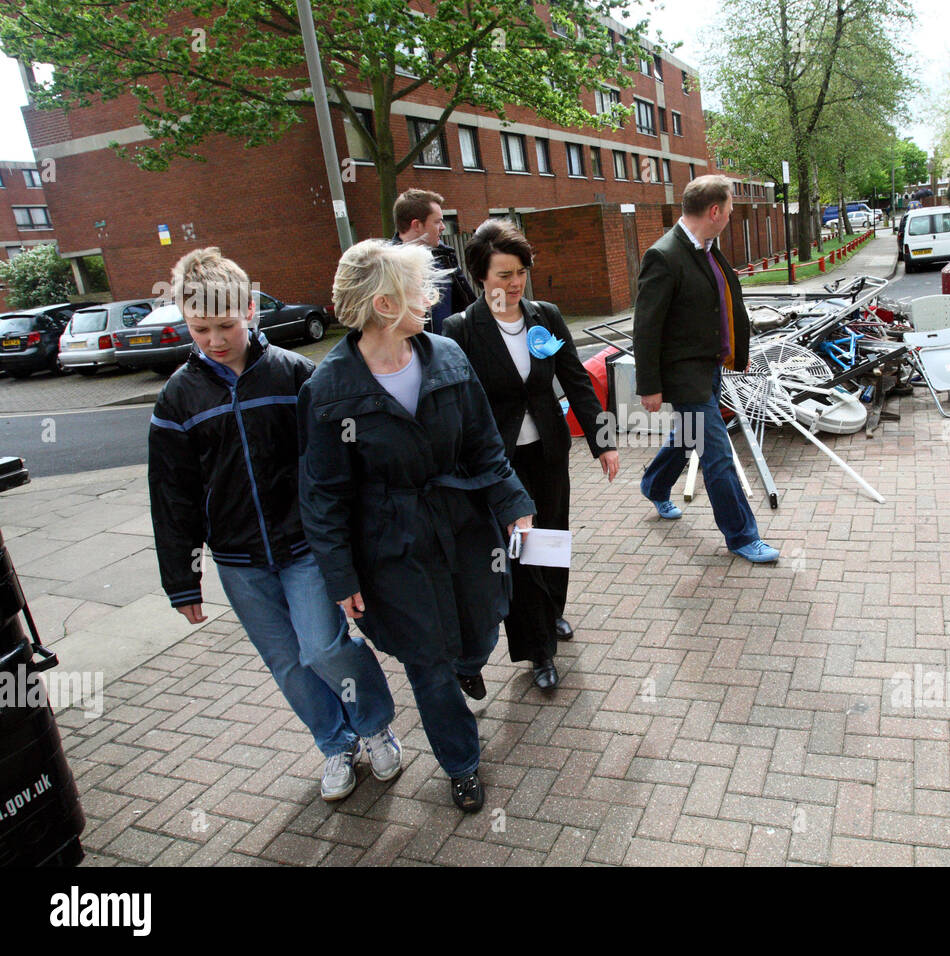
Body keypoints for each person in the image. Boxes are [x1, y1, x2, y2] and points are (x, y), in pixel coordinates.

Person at [148, 247, 401, 804]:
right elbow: (173, 496)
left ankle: (375, 725)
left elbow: (337, 464)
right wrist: (182, 581)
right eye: (200, 328)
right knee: (287, 664)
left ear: (252, 313)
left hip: (304, 547)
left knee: (323, 649)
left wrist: (357, 541)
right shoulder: (177, 397)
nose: (214, 340)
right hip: (239, 560)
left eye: (225, 325)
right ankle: (334, 744)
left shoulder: (297, 374)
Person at [297, 239, 534, 813]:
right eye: (417, 292)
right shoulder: (327, 391)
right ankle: (462, 762)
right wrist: (340, 575)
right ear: (383, 305)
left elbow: (484, 443)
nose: (431, 300)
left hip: (465, 527)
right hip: (392, 546)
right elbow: (323, 496)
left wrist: (512, 502)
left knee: (479, 630)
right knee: (427, 662)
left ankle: (469, 663)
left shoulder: (448, 355)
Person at [443, 220, 618, 690]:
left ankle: (552, 613)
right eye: (503, 275)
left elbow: (576, 379)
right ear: (481, 277)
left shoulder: (546, 316)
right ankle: (538, 649)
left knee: (553, 538)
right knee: (520, 553)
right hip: (498, 463)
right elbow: (456, 404)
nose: (514, 282)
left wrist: (604, 440)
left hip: (547, 450)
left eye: (520, 271)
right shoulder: (460, 330)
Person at [633, 175, 780, 564]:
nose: (732, 215)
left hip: (710, 369)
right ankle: (742, 536)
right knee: (717, 455)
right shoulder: (664, 256)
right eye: (730, 209)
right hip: (684, 378)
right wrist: (649, 386)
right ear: (714, 211)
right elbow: (646, 327)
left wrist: (737, 351)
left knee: (688, 436)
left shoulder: (707, 248)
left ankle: (654, 484)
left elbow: (722, 302)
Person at [390, 188, 474, 333]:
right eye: (437, 222)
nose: (443, 227)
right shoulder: (387, 268)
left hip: (449, 350)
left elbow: (467, 304)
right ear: (416, 225)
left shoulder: (445, 257)